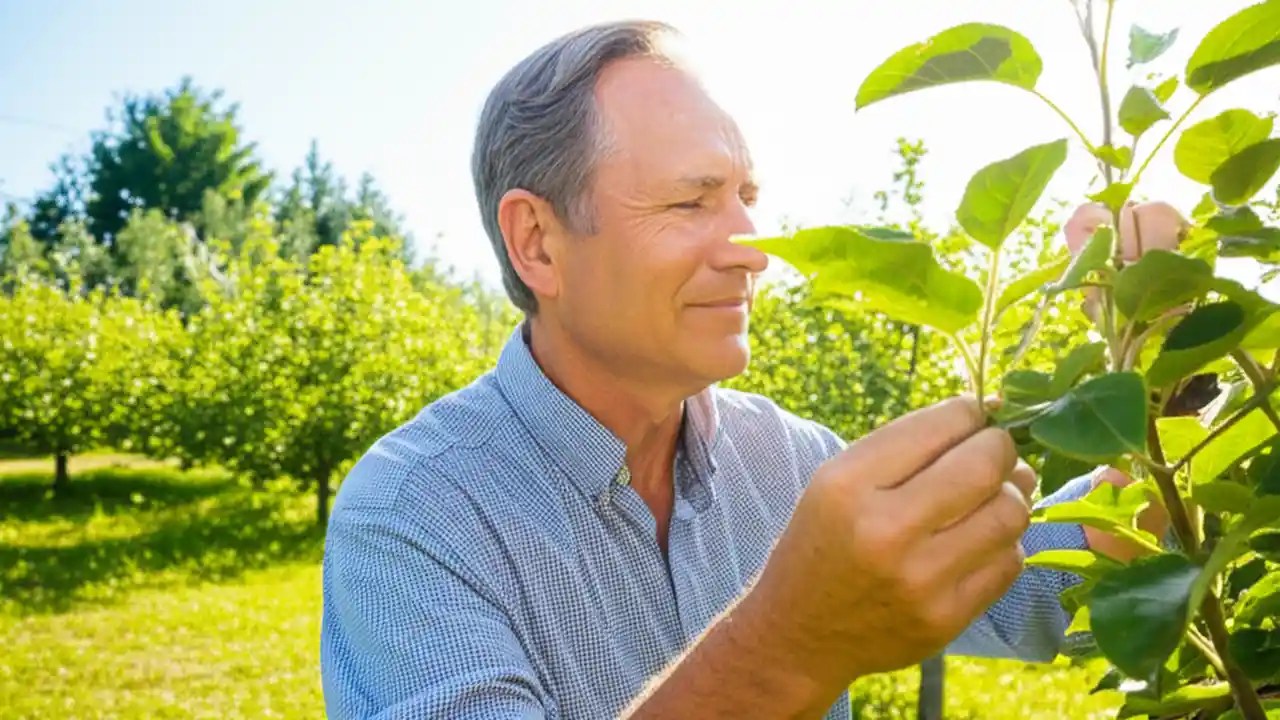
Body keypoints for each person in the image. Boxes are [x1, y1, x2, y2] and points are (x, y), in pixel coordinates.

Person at [319, 19, 1150, 719]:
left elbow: (1027, 586)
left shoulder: (788, 459)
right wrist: (792, 641)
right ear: (538, 241)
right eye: (690, 201)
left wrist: (1171, 368)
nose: (752, 248)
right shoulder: (414, 518)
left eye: (747, 195)